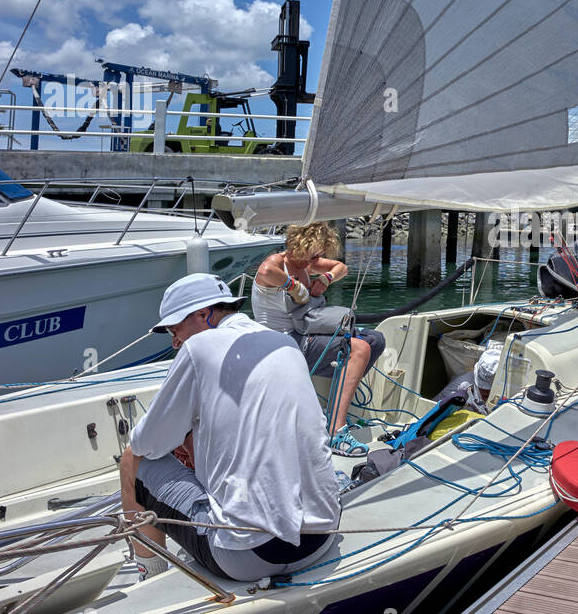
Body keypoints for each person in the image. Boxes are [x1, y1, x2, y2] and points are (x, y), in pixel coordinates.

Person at [119, 273, 340, 582]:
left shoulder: (199, 348)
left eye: (175, 329)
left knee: (132, 460)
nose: (174, 342)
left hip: (249, 556)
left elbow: (146, 443)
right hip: (321, 537)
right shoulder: (284, 342)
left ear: (203, 314)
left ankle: (149, 577)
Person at [252, 222, 385, 454]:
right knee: (359, 350)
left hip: (303, 332)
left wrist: (326, 278)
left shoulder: (308, 263)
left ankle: (333, 413)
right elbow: (264, 272)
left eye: (316, 256)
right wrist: (291, 284)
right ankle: (335, 432)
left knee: (375, 340)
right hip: (281, 343)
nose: (310, 262)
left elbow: (341, 267)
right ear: (296, 246)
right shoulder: (277, 263)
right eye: (308, 255)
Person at [432, 341, 502, 414]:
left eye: (490, 388)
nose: (487, 391)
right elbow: (433, 408)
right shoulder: (461, 386)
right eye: (484, 387)